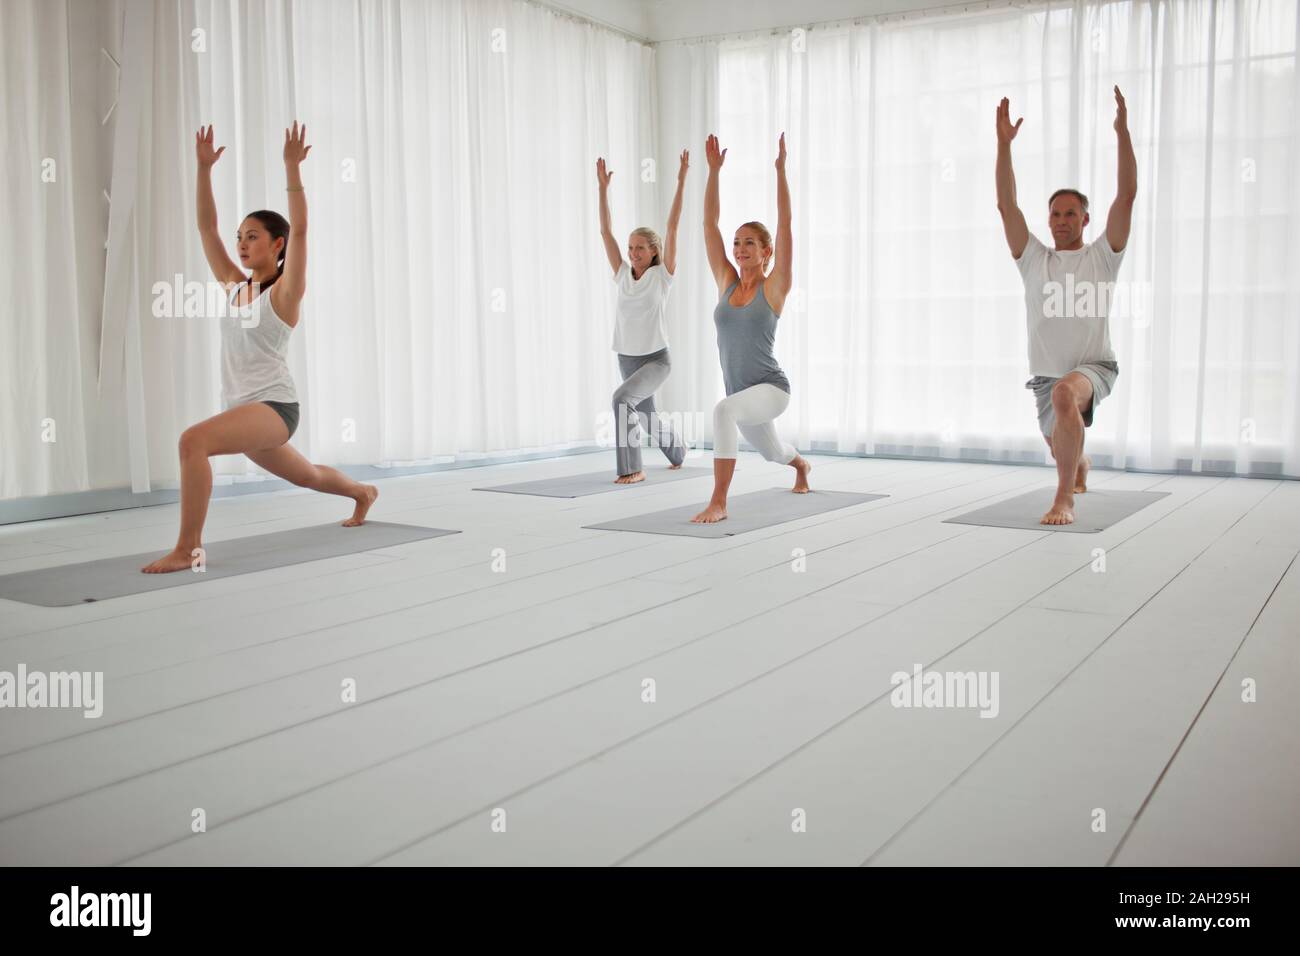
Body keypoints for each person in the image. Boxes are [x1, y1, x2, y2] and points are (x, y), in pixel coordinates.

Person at [143, 122, 378, 573]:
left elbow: (304, 231)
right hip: (246, 412)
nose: (242, 243)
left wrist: (291, 168)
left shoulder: (283, 295)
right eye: (241, 237)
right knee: (307, 476)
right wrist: (203, 169)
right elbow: (206, 226)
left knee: (193, 442)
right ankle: (362, 492)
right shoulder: (235, 286)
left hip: (274, 408)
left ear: (277, 244)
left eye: (253, 236)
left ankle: (187, 549)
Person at [995, 87, 1137, 525]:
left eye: (1071, 214)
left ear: (1085, 220)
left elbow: (1126, 197)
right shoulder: (1035, 260)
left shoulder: (1102, 256)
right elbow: (1007, 205)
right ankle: (1078, 465)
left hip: (1094, 368)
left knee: (1065, 396)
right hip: (1045, 378)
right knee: (1061, 445)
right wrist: (1003, 146)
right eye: (1055, 214)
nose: (1061, 221)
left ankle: (1063, 500)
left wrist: (1122, 133)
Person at [691, 132, 812, 525]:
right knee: (773, 452)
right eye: (737, 243)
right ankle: (801, 467)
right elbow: (708, 223)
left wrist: (780, 171)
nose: (740, 249)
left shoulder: (774, 288)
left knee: (723, 412)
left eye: (749, 244)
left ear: (766, 251)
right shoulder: (727, 282)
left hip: (772, 389)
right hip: (744, 394)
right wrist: (713, 172)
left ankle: (719, 502)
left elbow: (787, 222)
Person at [597, 151, 689, 483]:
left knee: (622, 399)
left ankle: (632, 469)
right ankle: (678, 451)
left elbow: (673, 225)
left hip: (656, 359)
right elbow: (606, 232)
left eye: (640, 248)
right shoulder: (622, 274)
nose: (633, 253)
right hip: (627, 357)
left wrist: (681, 181)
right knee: (648, 418)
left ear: (653, 250)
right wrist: (602, 189)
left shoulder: (662, 275)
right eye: (630, 247)